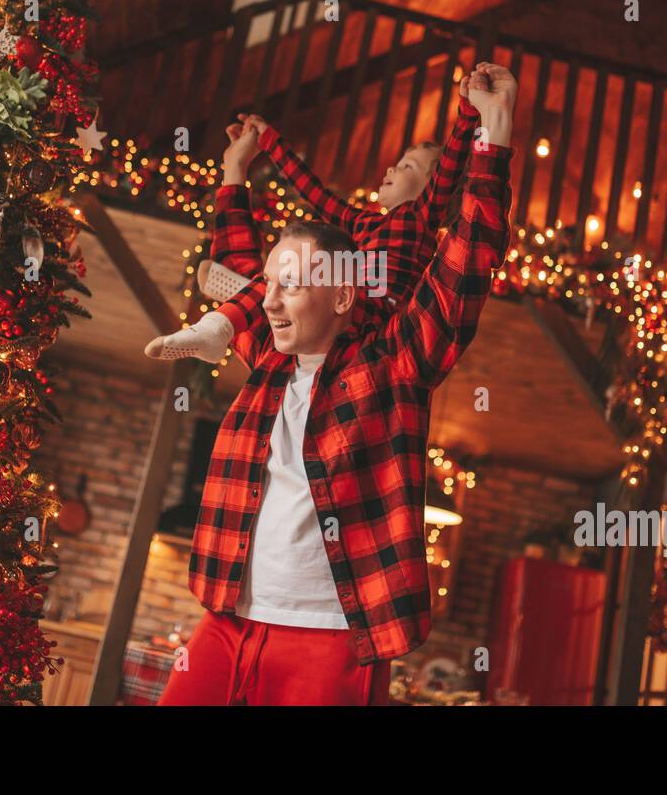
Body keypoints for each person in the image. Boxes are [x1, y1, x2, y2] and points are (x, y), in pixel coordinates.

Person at [155, 63, 517, 705]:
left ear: (344, 295)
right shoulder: (268, 356)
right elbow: (239, 262)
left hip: (330, 639)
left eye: (290, 285)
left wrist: (491, 129)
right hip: (226, 619)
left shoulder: (394, 364)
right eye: (273, 284)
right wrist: (237, 168)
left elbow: (465, 262)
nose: (270, 299)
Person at [143, 74, 482, 362]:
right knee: (291, 279)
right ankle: (246, 302)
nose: (392, 167)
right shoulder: (363, 221)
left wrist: (467, 114)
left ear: (432, 189)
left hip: (378, 315)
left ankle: (230, 312)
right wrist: (271, 142)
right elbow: (313, 191)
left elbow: (451, 168)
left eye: (408, 166)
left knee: (301, 274)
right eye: (397, 161)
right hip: (342, 309)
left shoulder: (420, 218)